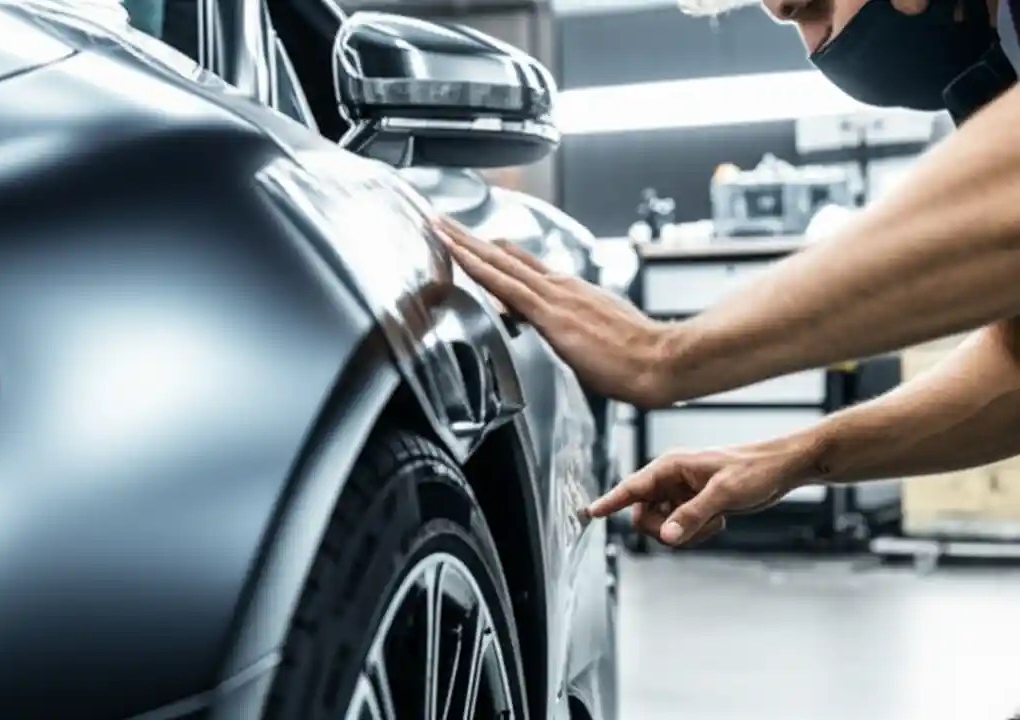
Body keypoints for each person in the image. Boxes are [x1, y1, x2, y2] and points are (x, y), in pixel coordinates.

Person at [436, 0, 1020, 548]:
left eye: (813, 4)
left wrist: (665, 356)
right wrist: (796, 455)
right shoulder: (992, 77)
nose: (816, 44)